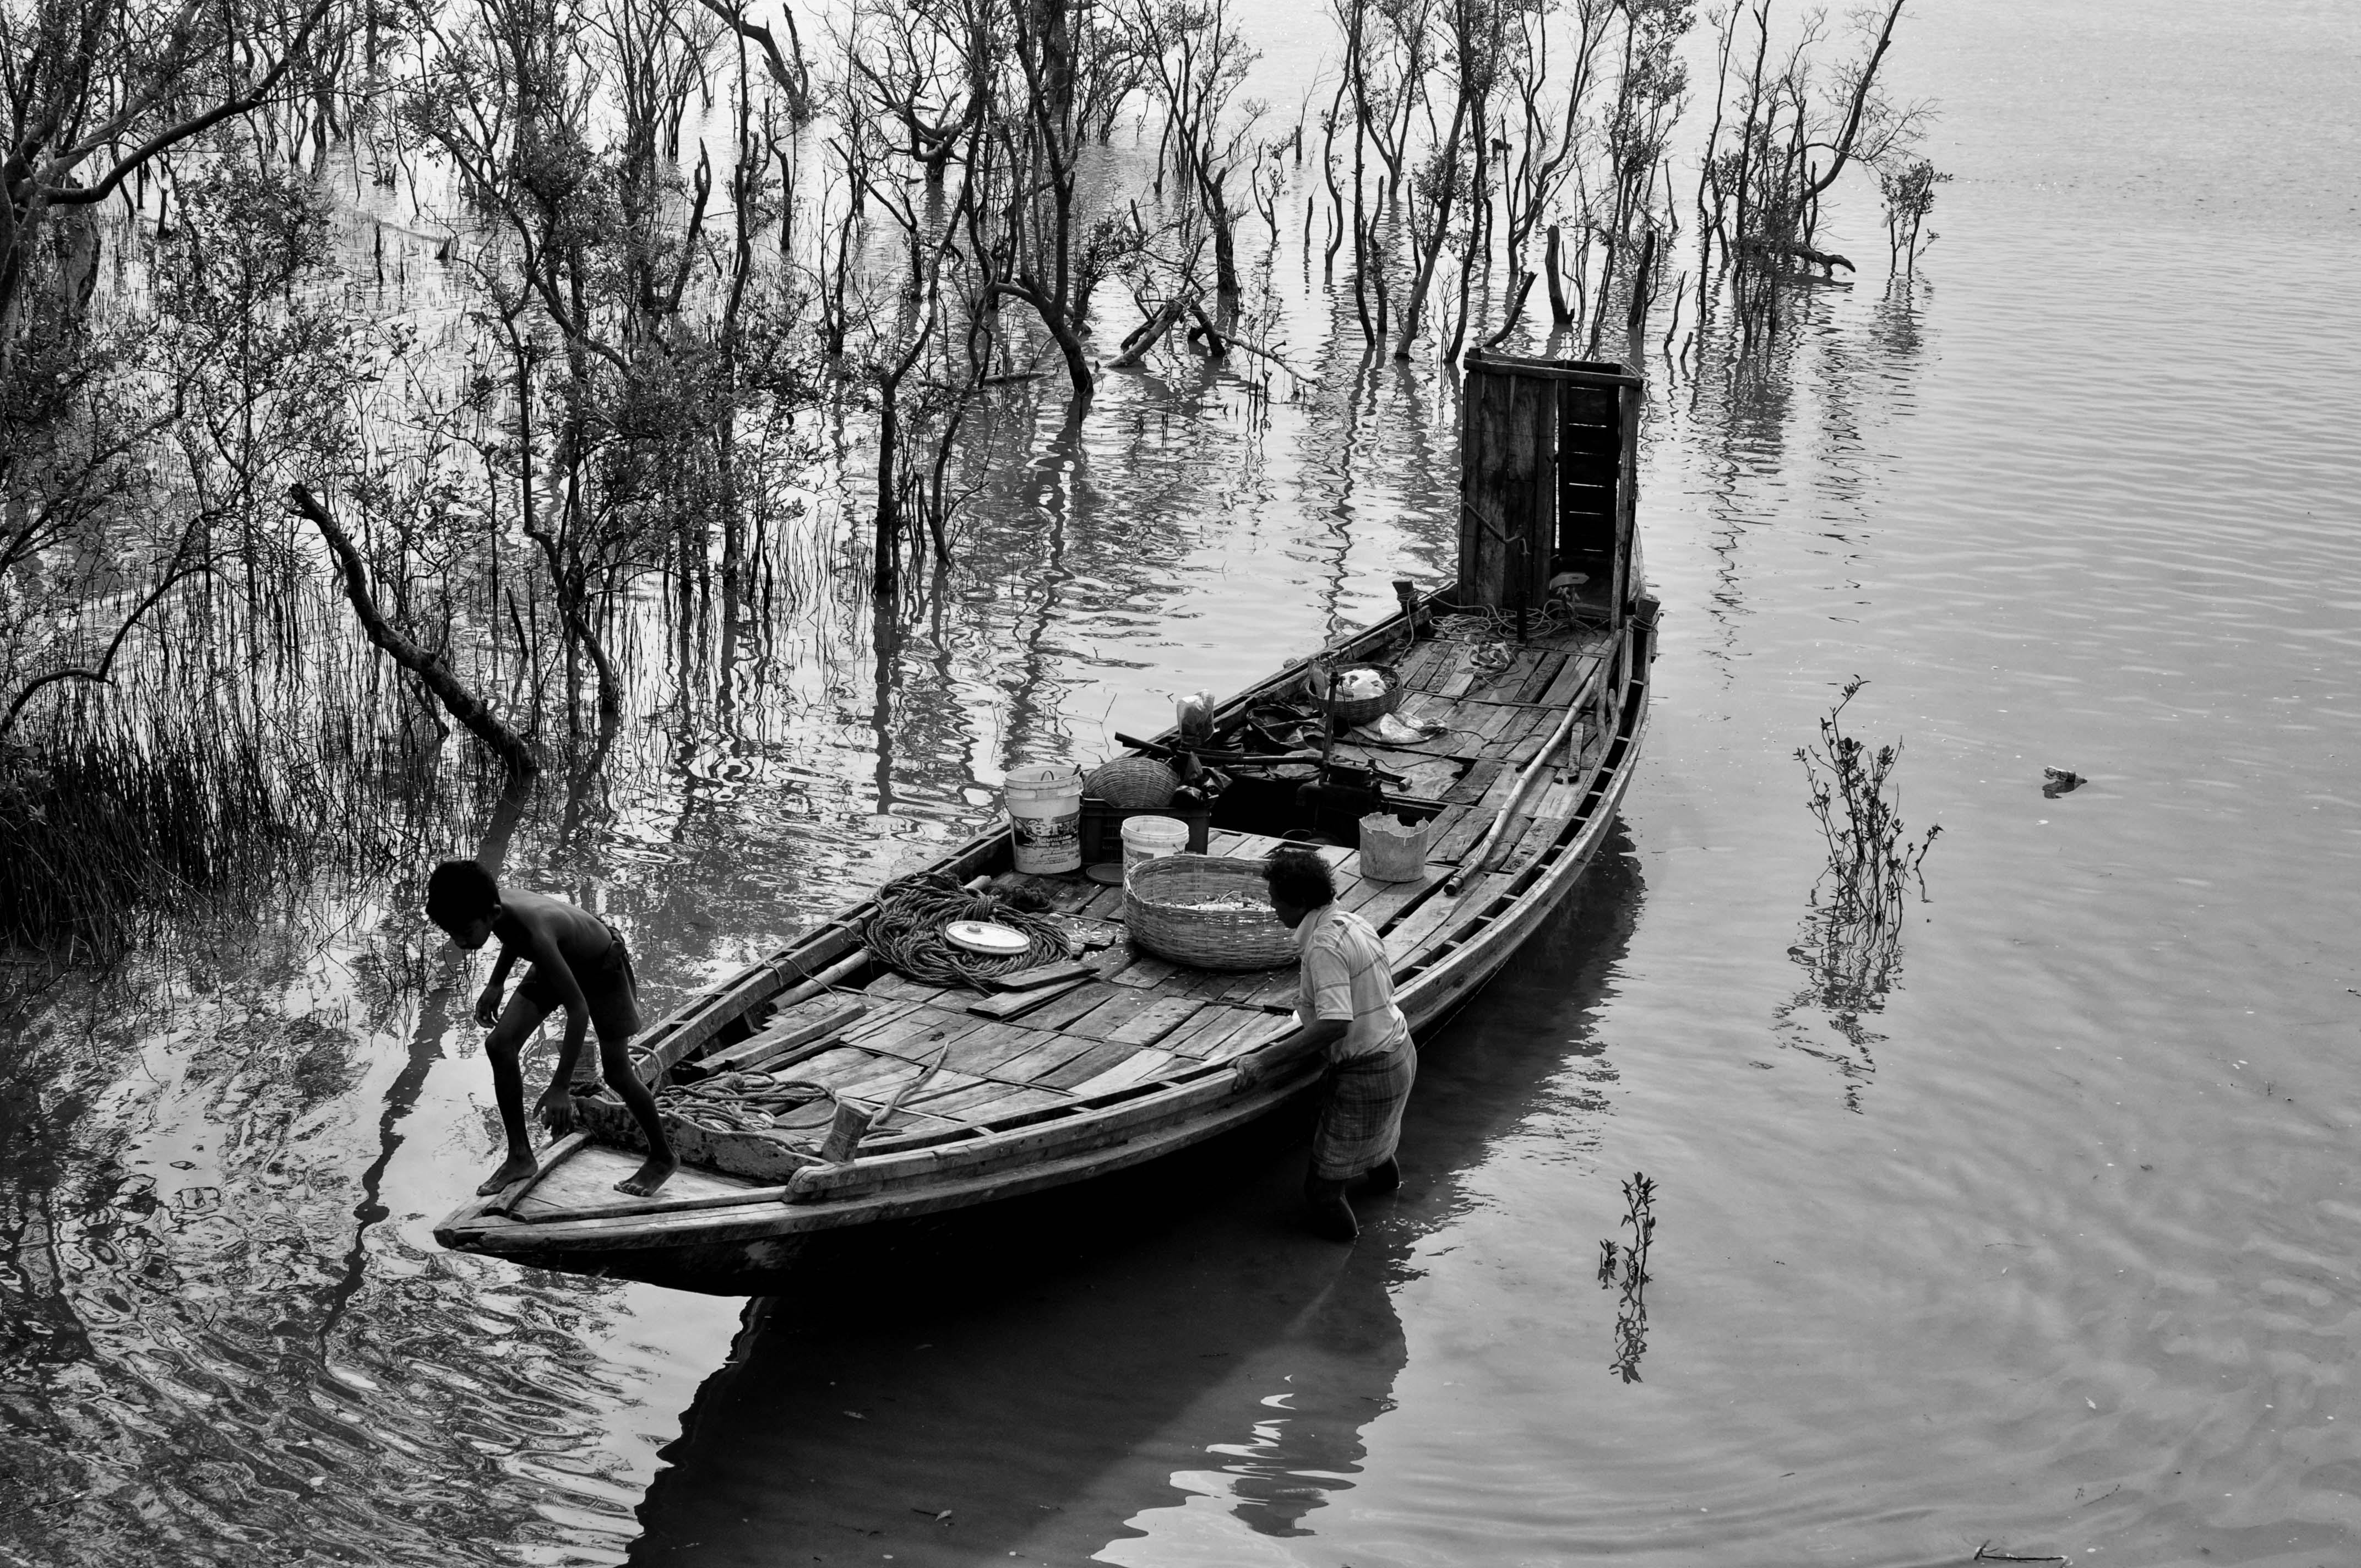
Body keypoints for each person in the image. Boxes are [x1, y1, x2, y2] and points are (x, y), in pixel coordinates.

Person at [424, 859, 676, 1198]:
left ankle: (663, 1156)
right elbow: (512, 935)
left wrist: (560, 1087)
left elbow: (578, 1010)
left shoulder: (534, 931)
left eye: (466, 933)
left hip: (602, 967)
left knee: (618, 1074)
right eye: (453, 934)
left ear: (492, 913)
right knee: (500, 1044)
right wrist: (496, 983)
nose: (460, 942)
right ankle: (520, 1157)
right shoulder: (495, 907)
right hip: (556, 959)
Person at [1241, 847, 1417, 1241]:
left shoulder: (1323, 945)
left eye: (1276, 902)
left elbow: (1336, 1025)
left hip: (1369, 1070)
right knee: (1380, 1150)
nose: (1273, 910)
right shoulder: (1353, 921)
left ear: (1300, 903)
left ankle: (1354, 1275)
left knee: (1321, 1193)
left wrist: (1263, 1061)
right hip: (1399, 1051)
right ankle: (1395, 1214)